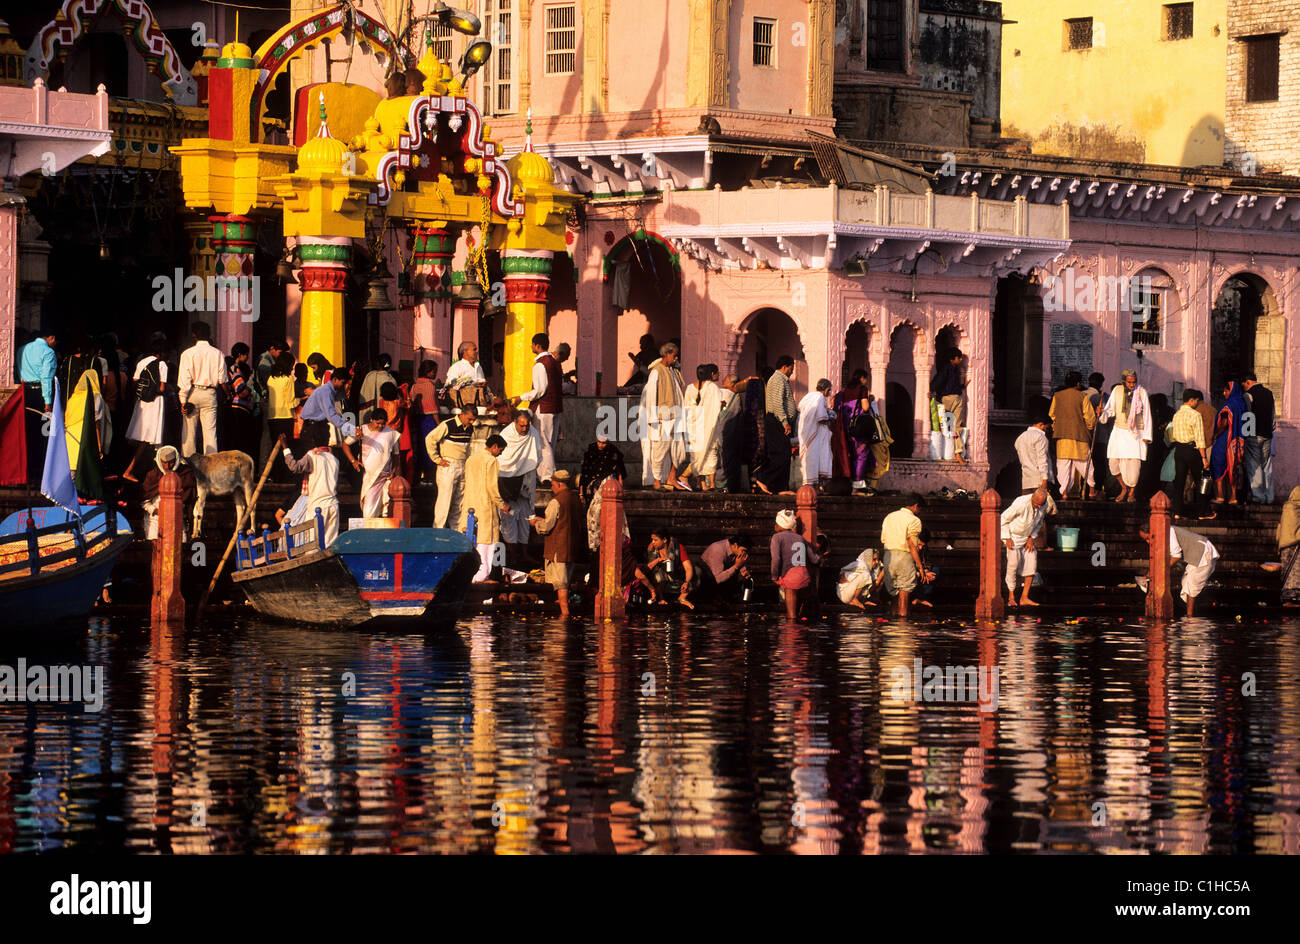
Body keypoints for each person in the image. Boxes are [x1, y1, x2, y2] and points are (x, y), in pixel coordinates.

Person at [530, 469, 585, 618]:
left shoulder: (556, 501)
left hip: (559, 548)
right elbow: (565, 520)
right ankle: (563, 612)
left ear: (559, 484)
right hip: (572, 547)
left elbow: (548, 526)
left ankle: (565, 615)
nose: (552, 488)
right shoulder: (576, 499)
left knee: (561, 584)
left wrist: (536, 524)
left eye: (553, 485)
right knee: (565, 581)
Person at [511, 333, 562, 483]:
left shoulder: (540, 364)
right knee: (550, 443)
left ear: (537, 346)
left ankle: (547, 477)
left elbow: (540, 390)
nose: (531, 347)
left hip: (544, 407)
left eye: (532, 344)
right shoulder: (554, 362)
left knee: (543, 443)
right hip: (556, 406)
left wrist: (521, 397)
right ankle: (546, 474)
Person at [639, 341, 689, 490]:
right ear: (666, 354)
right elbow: (651, 396)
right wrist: (653, 418)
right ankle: (656, 481)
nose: (676, 358)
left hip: (677, 416)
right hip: (663, 418)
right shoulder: (656, 371)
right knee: (660, 449)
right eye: (674, 355)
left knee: (680, 449)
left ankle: (671, 478)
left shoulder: (673, 371)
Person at [460, 434, 510, 582]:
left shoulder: (471, 459)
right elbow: (492, 488)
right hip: (485, 507)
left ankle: (472, 575)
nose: (500, 453)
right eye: (500, 450)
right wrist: (502, 504)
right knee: (487, 543)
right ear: (494, 447)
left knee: (473, 540)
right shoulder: (491, 461)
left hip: (470, 503)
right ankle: (481, 577)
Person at [1098, 369, 1152, 503]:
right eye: (1129, 382)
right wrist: (1101, 413)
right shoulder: (1117, 390)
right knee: (1113, 463)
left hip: (1136, 433)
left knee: (1134, 466)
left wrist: (1147, 434)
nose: (1132, 384)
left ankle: (1131, 492)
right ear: (1124, 381)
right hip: (1119, 431)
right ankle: (1123, 488)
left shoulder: (1141, 392)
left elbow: (1147, 414)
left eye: (1134, 382)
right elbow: (1109, 410)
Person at [1142, 524, 1219, 616]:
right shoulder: (1163, 534)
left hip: (1203, 553)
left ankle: (1190, 617)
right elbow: (1162, 558)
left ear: (1153, 533)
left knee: (1191, 585)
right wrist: (1151, 572)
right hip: (1197, 555)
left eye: (1148, 538)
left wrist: (1159, 570)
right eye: (1145, 540)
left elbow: (1176, 556)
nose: (1148, 542)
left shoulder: (1168, 531)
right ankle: (1190, 617)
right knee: (1185, 582)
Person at [280, 433, 342, 546]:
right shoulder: (334, 459)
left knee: (313, 546)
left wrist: (285, 447)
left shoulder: (312, 456)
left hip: (318, 506)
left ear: (312, 440)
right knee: (330, 546)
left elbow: (294, 467)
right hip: (333, 505)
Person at [123, 332, 169, 483]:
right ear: (161, 352)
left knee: (144, 437)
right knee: (151, 437)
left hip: (141, 403)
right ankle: (131, 471)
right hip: (155, 403)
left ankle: (149, 473)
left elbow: (134, 381)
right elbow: (161, 388)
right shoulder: (162, 364)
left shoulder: (142, 362)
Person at [497, 411, 544, 555]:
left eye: (526, 426)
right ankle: (512, 556)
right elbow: (502, 460)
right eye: (521, 426)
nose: (524, 429)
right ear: (515, 423)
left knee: (525, 518)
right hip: (507, 482)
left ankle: (523, 555)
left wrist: (525, 468)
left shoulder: (532, 433)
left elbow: (537, 455)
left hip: (526, 478)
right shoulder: (506, 435)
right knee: (508, 520)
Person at [1001, 487, 1056, 607]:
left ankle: (1024, 597)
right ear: (1032, 498)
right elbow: (1003, 519)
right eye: (1038, 504)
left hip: (1028, 538)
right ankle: (1011, 597)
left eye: (1042, 505)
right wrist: (1006, 537)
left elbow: (1039, 522)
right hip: (1013, 537)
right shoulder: (1020, 503)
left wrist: (1032, 538)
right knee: (1013, 565)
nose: (1040, 507)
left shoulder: (1044, 504)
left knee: (1032, 564)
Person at [881, 495, 934, 616]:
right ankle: (903, 628)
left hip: (888, 556)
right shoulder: (914, 520)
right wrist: (920, 567)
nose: (919, 512)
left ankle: (893, 626)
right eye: (920, 509)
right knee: (904, 594)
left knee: (894, 594)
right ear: (915, 506)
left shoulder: (889, 517)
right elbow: (911, 545)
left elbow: (884, 540)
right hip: (904, 556)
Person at [343, 408, 401, 518]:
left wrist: (395, 471)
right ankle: (368, 532)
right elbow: (345, 445)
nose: (380, 426)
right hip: (369, 475)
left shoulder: (391, 433)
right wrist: (353, 461)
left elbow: (396, 456)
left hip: (385, 477)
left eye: (383, 424)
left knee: (385, 509)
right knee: (368, 509)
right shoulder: (362, 430)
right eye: (377, 423)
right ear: (371, 420)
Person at [178, 321, 224, 456]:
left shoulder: (187, 354)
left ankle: (188, 466)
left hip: (192, 393)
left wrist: (183, 401)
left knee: (189, 433)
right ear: (209, 334)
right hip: (210, 393)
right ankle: (211, 467)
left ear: (194, 335)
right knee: (210, 434)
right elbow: (222, 379)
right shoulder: (218, 353)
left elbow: (184, 380)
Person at [1049, 371, 1098, 499]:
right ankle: (1092, 489)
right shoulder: (1082, 397)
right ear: (1078, 383)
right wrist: (1089, 428)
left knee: (1063, 465)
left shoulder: (1057, 396)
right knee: (1085, 463)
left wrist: (1057, 427)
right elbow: (1090, 418)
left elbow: (1052, 415)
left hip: (1062, 436)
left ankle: (1064, 492)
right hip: (1079, 435)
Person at [426, 406, 476, 528]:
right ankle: (438, 530)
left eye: (473, 420)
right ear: (462, 414)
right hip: (448, 464)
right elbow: (430, 438)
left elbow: (468, 448)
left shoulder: (470, 428)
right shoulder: (447, 424)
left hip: (463, 464)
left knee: (459, 502)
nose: (471, 422)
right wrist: (437, 459)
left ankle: (456, 530)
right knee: (444, 501)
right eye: (469, 419)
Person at [1167, 389, 1212, 521]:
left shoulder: (1177, 415)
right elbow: (1199, 438)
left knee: (1179, 482)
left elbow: (1173, 435)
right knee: (1200, 481)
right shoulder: (1195, 415)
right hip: (1192, 450)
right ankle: (1203, 512)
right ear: (1192, 400)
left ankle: (1177, 512)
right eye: (1197, 400)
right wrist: (1204, 458)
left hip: (1179, 449)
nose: (1197, 403)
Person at [19, 328, 58, 478]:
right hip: (42, 394)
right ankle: (42, 469)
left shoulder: (22, 349)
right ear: (51, 337)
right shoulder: (48, 352)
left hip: (25, 394)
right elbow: (46, 378)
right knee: (45, 432)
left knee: (27, 431)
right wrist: (48, 402)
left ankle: (28, 467)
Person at [578, 433, 628, 551]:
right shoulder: (590, 453)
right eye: (599, 442)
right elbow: (584, 475)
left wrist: (620, 488)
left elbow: (619, 471)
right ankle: (593, 546)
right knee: (592, 517)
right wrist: (581, 493)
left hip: (608, 489)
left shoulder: (613, 453)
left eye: (604, 443)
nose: (601, 445)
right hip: (592, 490)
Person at [140, 445, 197, 540]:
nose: (167, 466)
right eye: (164, 463)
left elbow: (189, 499)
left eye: (171, 462)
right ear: (159, 461)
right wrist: (156, 511)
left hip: (178, 518)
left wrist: (176, 510)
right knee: (155, 547)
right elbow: (144, 501)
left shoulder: (185, 474)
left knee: (179, 548)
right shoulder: (153, 475)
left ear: (177, 460)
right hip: (155, 520)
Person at [770, 509, 819, 620]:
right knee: (799, 614)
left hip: (790, 577)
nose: (775, 525)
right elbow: (815, 559)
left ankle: (792, 634)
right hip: (804, 575)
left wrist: (774, 577)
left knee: (791, 617)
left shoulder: (777, 537)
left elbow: (776, 559)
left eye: (776, 523)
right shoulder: (800, 538)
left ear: (780, 524)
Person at [636, 528, 697, 609]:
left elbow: (688, 567)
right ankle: (661, 598)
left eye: (655, 540)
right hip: (658, 583)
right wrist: (658, 560)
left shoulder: (678, 548)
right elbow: (646, 569)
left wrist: (686, 582)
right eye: (652, 540)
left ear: (664, 540)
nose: (653, 542)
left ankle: (682, 598)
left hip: (676, 578)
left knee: (696, 572)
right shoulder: (651, 549)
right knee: (659, 574)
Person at [1209, 380, 1248, 505]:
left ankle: (1220, 495)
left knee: (1217, 464)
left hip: (1225, 439)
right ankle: (1233, 497)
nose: (1224, 393)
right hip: (1239, 441)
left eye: (1225, 390)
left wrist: (1216, 435)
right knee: (1234, 467)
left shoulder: (1229, 405)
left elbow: (1224, 423)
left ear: (1230, 391)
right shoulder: (1243, 404)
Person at [685, 363, 723, 490]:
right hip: (708, 426)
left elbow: (687, 408)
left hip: (694, 426)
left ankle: (702, 484)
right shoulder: (712, 387)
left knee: (696, 454)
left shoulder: (690, 388)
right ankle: (711, 484)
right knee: (711, 452)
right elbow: (715, 407)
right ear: (710, 374)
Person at [836, 369, 873, 493]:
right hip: (859, 427)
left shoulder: (844, 391)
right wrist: (870, 400)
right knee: (861, 454)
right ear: (862, 378)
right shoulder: (862, 389)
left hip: (846, 427)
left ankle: (852, 482)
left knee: (850, 454)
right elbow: (865, 407)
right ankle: (857, 484)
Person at [763, 356, 797, 490]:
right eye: (791, 368)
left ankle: (781, 488)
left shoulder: (782, 380)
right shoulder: (778, 379)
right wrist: (784, 422)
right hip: (777, 421)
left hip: (780, 421)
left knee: (785, 454)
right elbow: (777, 403)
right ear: (784, 367)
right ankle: (763, 479)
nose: (792, 371)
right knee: (781, 454)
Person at [299, 368, 356, 447]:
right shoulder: (326, 391)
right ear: (335, 379)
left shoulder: (331, 391)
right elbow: (331, 416)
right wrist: (352, 429)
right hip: (312, 429)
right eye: (342, 383)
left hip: (319, 427)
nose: (343, 386)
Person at [1241, 372, 1275, 504]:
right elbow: (1272, 415)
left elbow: (1248, 417)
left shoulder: (1248, 395)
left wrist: (1245, 435)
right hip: (1267, 434)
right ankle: (1270, 497)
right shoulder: (1269, 393)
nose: (1243, 387)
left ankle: (1258, 496)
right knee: (1267, 465)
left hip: (1254, 435)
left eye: (1243, 384)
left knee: (1254, 465)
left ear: (1247, 382)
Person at [797, 379, 835, 488]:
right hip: (815, 432)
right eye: (829, 390)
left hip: (806, 431)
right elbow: (821, 417)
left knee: (810, 458)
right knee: (813, 458)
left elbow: (800, 408)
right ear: (827, 389)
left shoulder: (808, 396)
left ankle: (811, 484)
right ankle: (811, 486)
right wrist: (830, 418)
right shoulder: (820, 397)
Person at [265, 352, 297, 481]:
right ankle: (285, 475)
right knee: (286, 447)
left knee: (275, 447)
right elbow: (291, 401)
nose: (292, 368)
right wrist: (303, 398)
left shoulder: (271, 378)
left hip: (272, 417)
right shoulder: (288, 379)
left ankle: (275, 475)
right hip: (285, 417)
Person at [932, 350, 968, 462]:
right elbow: (937, 383)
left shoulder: (954, 370)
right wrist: (931, 392)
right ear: (952, 359)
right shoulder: (946, 369)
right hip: (947, 399)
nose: (961, 360)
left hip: (957, 399)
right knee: (945, 426)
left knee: (957, 427)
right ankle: (947, 453)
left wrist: (963, 386)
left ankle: (958, 453)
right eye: (959, 358)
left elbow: (951, 385)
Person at [409, 359, 441, 483]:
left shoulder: (415, 385)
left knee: (420, 447)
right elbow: (433, 408)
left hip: (418, 419)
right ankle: (429, 476)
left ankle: (419, 475)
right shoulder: (430, 386)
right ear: (428, 372)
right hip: (429, 420)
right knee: (431, 446)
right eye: (434, 371)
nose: (435, 373)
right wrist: (439, 424)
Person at [225, 342, 257, 460]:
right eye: (246, 355)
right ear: (240, 355)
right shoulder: (235, 369)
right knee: (240, 440)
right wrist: (248, 390)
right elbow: (241, 390)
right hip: (239, 408)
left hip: (238, 408)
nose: (247, 358)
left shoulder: (233, 368)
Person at [700, 535, 751, 604]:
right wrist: (736, 566)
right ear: (735, 545)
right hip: (708, 577)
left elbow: (740, 565)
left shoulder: (736, 551)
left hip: (723, 576)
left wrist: (743, 570)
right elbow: (718, 578)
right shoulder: (718, 549)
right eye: (744, 551)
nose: (745, 554)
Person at [1014, 410, 1053, 494]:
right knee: (1042, 506)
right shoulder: (1041, 437)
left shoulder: (1020, 438)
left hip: (1026, 481)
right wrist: (1045, 480)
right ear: (1041, 425)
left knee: (1028, 506)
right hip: (1039, 480)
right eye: (1047, 427)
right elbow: (1042, 459)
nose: (1047, 430)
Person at [863, 393, 892, 494]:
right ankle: (870, 487)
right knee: (875, 465)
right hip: (873, 442)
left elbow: (883, 427)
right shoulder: (867, 414)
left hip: (878, 441)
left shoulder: (876, 414)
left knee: (878, 464)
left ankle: (872, 487)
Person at [1276, 487, 1300, 606]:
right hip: (1293, 543)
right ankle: (1289, 599)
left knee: (1289, 572)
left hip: (1285, 544)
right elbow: (1294, 527)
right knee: (1292, 573)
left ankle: (1289, 598)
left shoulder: (1287, 507)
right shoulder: (1294, 508)